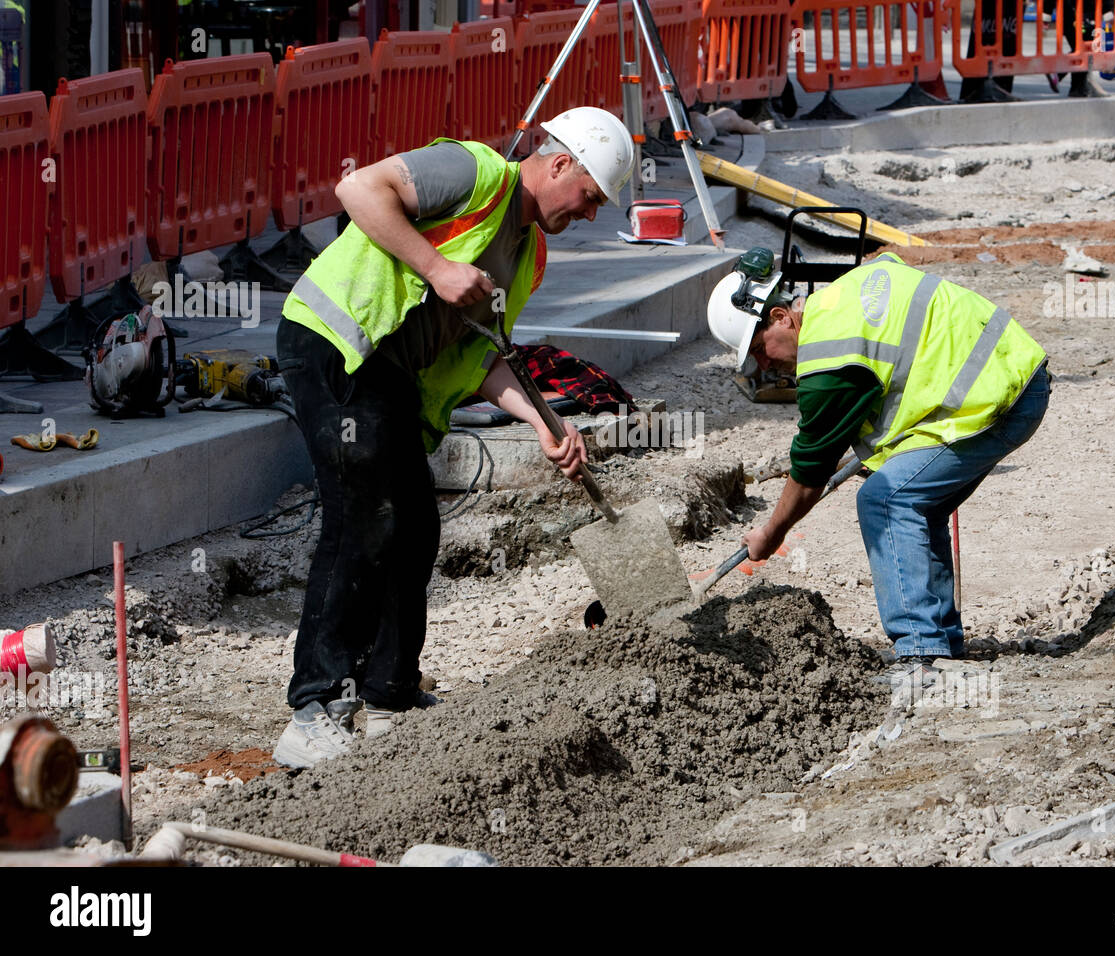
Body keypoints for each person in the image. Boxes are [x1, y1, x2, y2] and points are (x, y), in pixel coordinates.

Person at [271, 107, 635, 768]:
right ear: (560, 164)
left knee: (414, 524)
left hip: (391, 375)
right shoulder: (476, 173)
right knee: (364, 514)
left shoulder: (527, 255)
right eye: (588, 198)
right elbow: (358, 191)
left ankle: (389, 694)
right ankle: (316, 703)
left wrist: (542, 424)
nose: (588, 215)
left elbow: (482, 357)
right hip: (336, 344)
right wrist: (436, 266)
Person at [707, 250, 1050, 687]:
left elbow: (810, 469)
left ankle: (922, 655)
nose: (765, 365)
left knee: (886, 500)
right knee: (917, 503)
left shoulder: (829, 356)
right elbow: (892, 273)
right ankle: (941, 641)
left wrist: (771, 532)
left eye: (759, 350)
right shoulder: (841, 297)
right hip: (1012, 372)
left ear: (780, 317)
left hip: (998, 396)